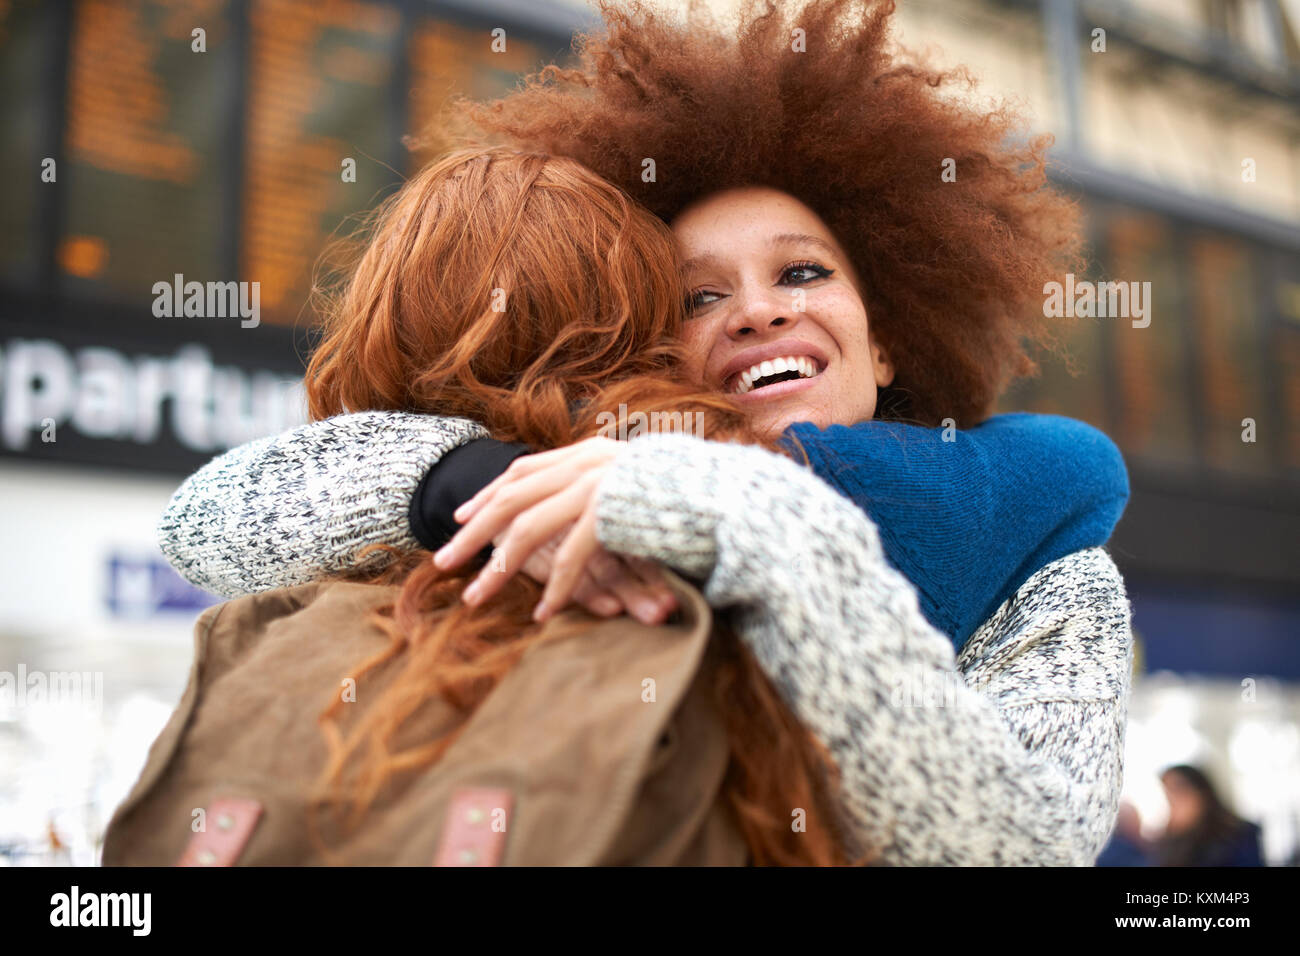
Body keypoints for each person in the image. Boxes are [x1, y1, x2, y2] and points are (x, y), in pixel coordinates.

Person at [158, 0, 1135, 864]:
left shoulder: (1043, 558)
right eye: (697, 296)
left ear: (887, 342)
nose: (756, 313)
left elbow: (1024, 846)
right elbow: (207, 522)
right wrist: (474, 477)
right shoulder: (591, 484)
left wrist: (765, 527)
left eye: (801, 273)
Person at [1153, 765, 1265, 867]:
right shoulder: (1168, 841)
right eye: (1168, 796)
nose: (1173, 803)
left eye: (1177, 792)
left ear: (1201, 794)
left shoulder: (1239, 833)